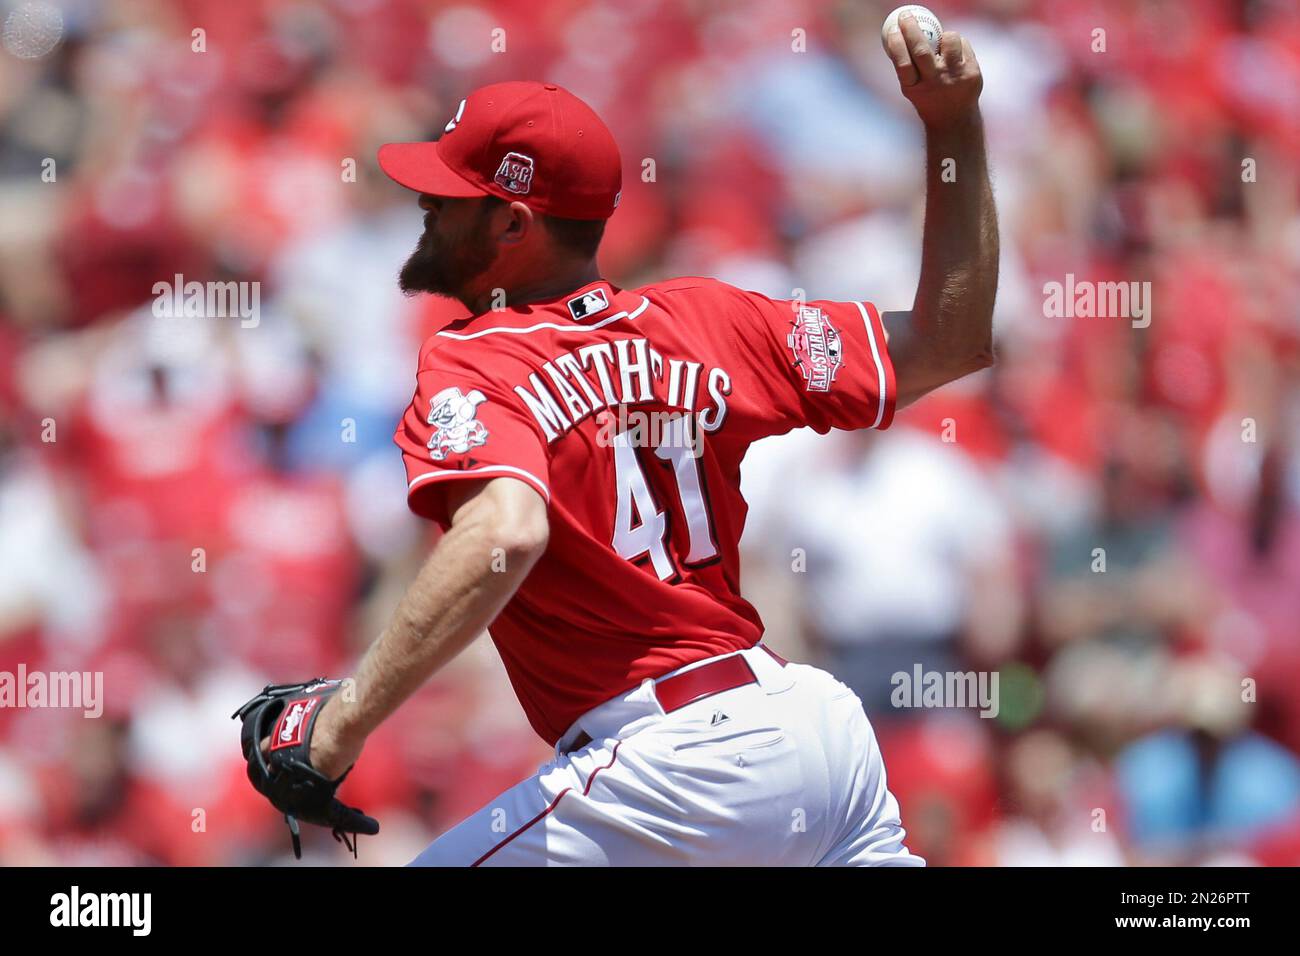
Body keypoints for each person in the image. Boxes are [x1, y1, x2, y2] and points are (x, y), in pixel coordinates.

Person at [301, 14, 996, 865]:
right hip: (814, 734)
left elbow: (505, 532)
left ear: (513, 226)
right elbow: (949, 341)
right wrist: (955, 126)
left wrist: (336, 726)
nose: (427, 204)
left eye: (452, 196)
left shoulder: (478, 356)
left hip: (677, 766)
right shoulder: (709, 318)